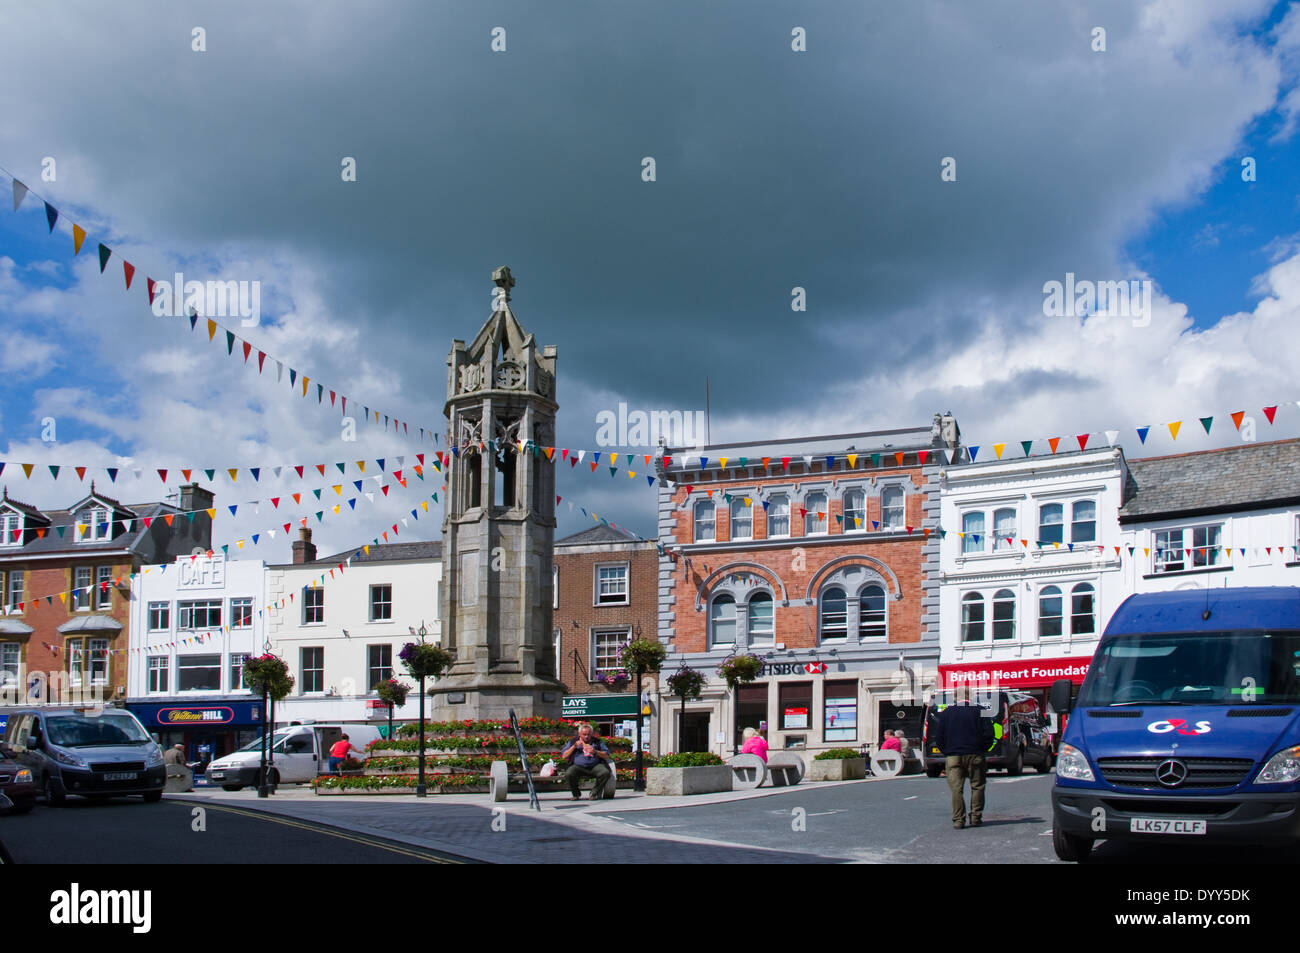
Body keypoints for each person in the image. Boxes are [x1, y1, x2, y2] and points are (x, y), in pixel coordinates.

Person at [933, 695, 996, 829]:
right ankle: (975, 817)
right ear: (970, 697)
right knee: (977, 786)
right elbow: (990, 733)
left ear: (955, 697)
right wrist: (982, 749)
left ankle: (958, 820)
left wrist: (947, 751)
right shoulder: (981, 710)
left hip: (953, 755)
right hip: (975, 753)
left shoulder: (947, 712)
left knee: (956, 789)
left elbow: (939, 736)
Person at [561, 723, 612, 800]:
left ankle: (594, 793)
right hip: (578, 766)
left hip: (594, 766)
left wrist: (595, 751)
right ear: (579, 734)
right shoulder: (574, 741)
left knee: (605, 772)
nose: (586, 736)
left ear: (592, 734)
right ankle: (576, 794)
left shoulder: (597, 742)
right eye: (584, 734)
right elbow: (564, 755)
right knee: (569, 774)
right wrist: (574, 747)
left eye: (588, 734)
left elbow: (607, 755)